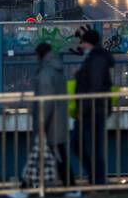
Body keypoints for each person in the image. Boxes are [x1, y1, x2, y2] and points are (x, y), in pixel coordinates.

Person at [74, 28, 114, 186]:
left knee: (86, 145)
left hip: (92, 109)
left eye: (82, 42)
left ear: (87, 43)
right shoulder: (95, 57)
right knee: (90, 146)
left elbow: (95, 85)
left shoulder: (96, 59)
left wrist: (83, 109)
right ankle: (96, 178)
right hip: (93, 108)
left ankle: (97, 179)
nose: (81, 46)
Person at [28, 41, 69, 185]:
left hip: (49, 122)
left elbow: (45, 102)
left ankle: (27, 186)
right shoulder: (57, 70)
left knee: (46, 155)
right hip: (58, 119)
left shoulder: (45, 73)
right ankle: (70, 185)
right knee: (59, 154)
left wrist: (40, 123)